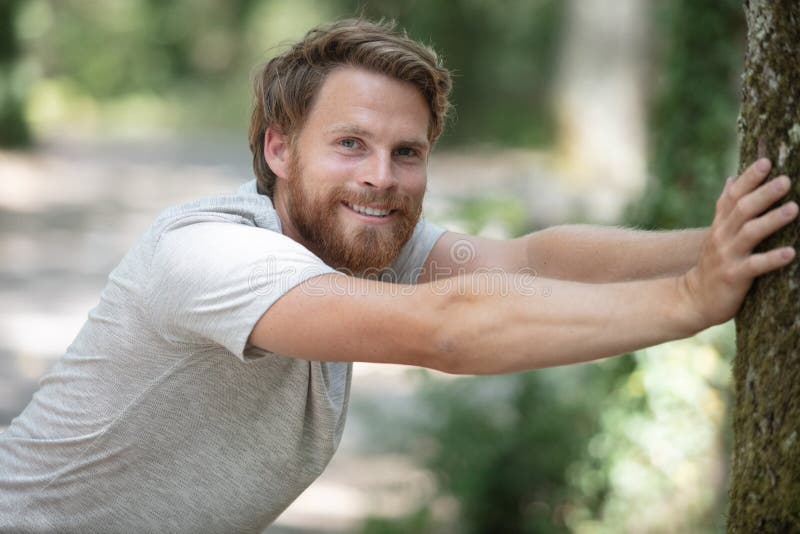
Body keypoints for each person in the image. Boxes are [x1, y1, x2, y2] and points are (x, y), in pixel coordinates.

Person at [0, 18, 796, 533]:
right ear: (280, 150)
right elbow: (447, 330)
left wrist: (727, 243)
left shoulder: (357, 243)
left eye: (405, 152)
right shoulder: (210, 257)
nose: (381, 177)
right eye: (350, 144)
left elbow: (530, 261)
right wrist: (691, 301)